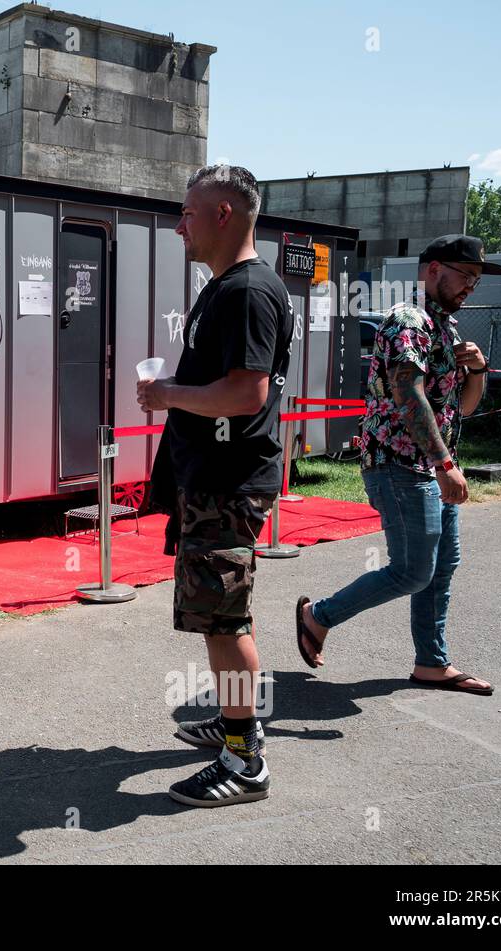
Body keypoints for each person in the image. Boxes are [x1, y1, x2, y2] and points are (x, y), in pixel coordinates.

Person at [137, 164, 291, 808]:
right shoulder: (227, 287)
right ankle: (236, 726)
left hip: (229, 483)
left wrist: (166, 393)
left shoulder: (247, 292)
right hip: (213, 480)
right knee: (215, 616)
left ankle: (245, 760)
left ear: (224, 214)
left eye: (188, 213)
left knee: (225, 621)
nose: (179, 226)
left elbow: (244, 393)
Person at [296, 235, 501, 696]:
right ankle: (318, 616)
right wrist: (445, 462)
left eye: (475, 278)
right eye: (464, 275)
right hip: (399, 464)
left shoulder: (446, 330)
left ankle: (432, 663)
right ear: (432, 270)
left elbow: (464, 408)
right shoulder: (408, 321)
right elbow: (407, 394)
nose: (470, 285)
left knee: (442, 565)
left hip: (430, 466)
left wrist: (479, 370)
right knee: (411, 570)